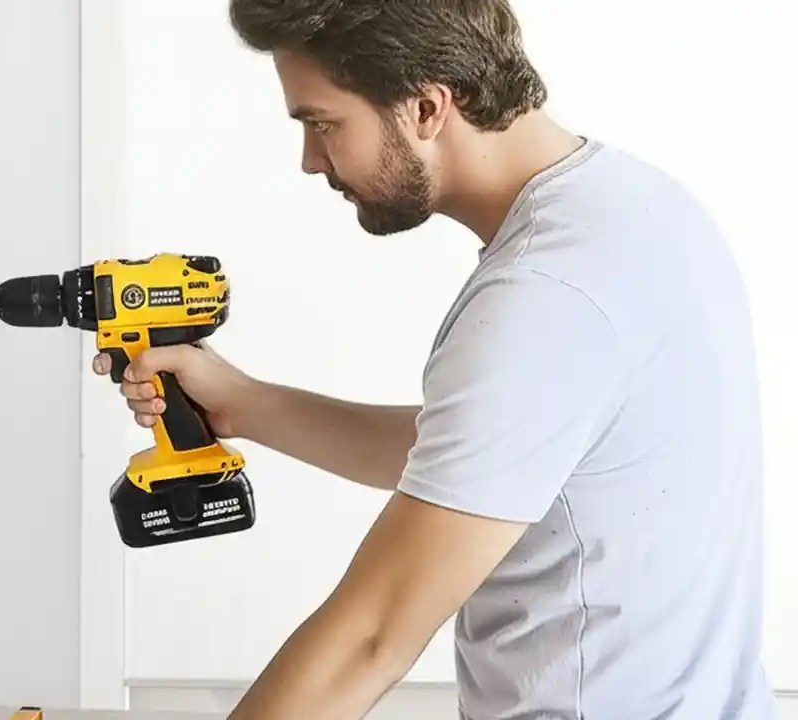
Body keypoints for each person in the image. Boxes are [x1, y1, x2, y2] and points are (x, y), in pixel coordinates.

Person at [91, 1, 775, 718]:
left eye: (322, 124)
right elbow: (490, 455)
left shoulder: (546, 295)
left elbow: (372, 638)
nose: (310, 161)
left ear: (425, 106)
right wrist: (246, 404)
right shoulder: (632, 208)